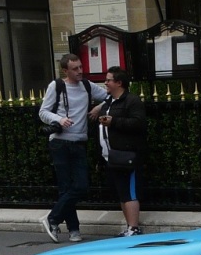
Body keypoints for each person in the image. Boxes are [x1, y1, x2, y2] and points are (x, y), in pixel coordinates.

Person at [39, 53, 108, 243]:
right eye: (75, 68)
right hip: (60, 141)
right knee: (65, 187)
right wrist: (59, 119)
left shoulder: (86, 85)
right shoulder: (57, 86)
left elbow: (111, 97)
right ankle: (73, 229)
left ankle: (52, 218)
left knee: (81, 186)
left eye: (80, 67)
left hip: (79, 141)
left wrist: (98, 107)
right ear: (65, 70)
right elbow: (43, 112)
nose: (80, 71)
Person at [97, 67, 148, 236]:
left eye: (109, 80)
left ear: (119, 83)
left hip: (128, 154)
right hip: (111, 154)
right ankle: (129, 227)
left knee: (130, 191)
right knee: (122, 192)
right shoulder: (108, 102)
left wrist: (115, 121)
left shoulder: (132, 101)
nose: (106, 83)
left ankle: (134, 227)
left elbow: (139, 123)